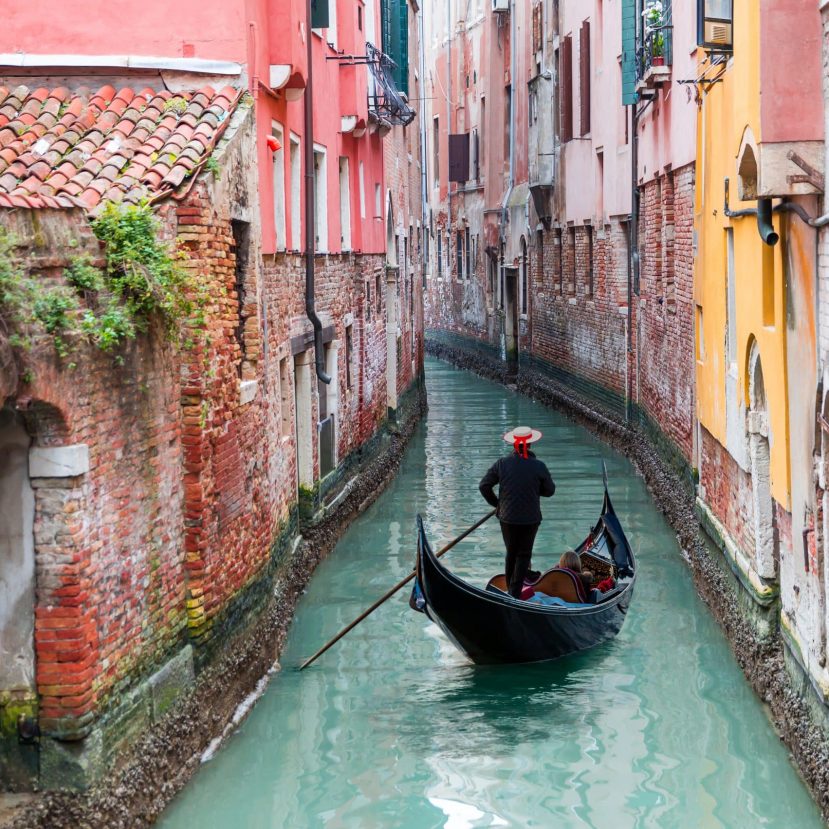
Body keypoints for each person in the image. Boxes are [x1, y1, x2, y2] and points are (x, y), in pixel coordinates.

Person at [479, 425, 555, 598]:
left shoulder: (502, 464)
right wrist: (535, 490)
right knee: (523, 554)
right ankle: (514, 593)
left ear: (514, 445)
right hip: (530, 518)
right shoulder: (538, 466)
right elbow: (550, 491)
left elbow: (484, 486)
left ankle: (510, 590)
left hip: (507, 517)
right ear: (529, 445)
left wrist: (497, 504)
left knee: (511, 553)